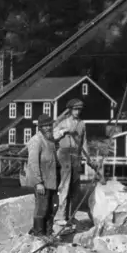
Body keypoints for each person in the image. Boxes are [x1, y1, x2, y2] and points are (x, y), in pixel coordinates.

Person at [52, 97, 88, 228]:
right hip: (64, 154)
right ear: (70, 110)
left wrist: (86, 157)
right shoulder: (63, 122)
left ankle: (71, 216)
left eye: (79, 110)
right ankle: (60, 216)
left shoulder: (82, 124)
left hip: (76, 155)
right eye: (75, 109)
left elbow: (84, 141)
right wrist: (64, 131)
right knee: (64, 186)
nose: (77, 112)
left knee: (75, 188)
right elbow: (53, 136)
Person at [24, 116, 61, 236]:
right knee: (42, 208)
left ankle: (48, 233)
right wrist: (38, 182)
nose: (48, 127)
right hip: (42, 182)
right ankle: (39, 233)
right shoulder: (36, 141)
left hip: (52, 182)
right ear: (40, 127)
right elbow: (33, 163)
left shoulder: (50, 140)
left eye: (50, 125)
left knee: (52, 208)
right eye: (45, 126)